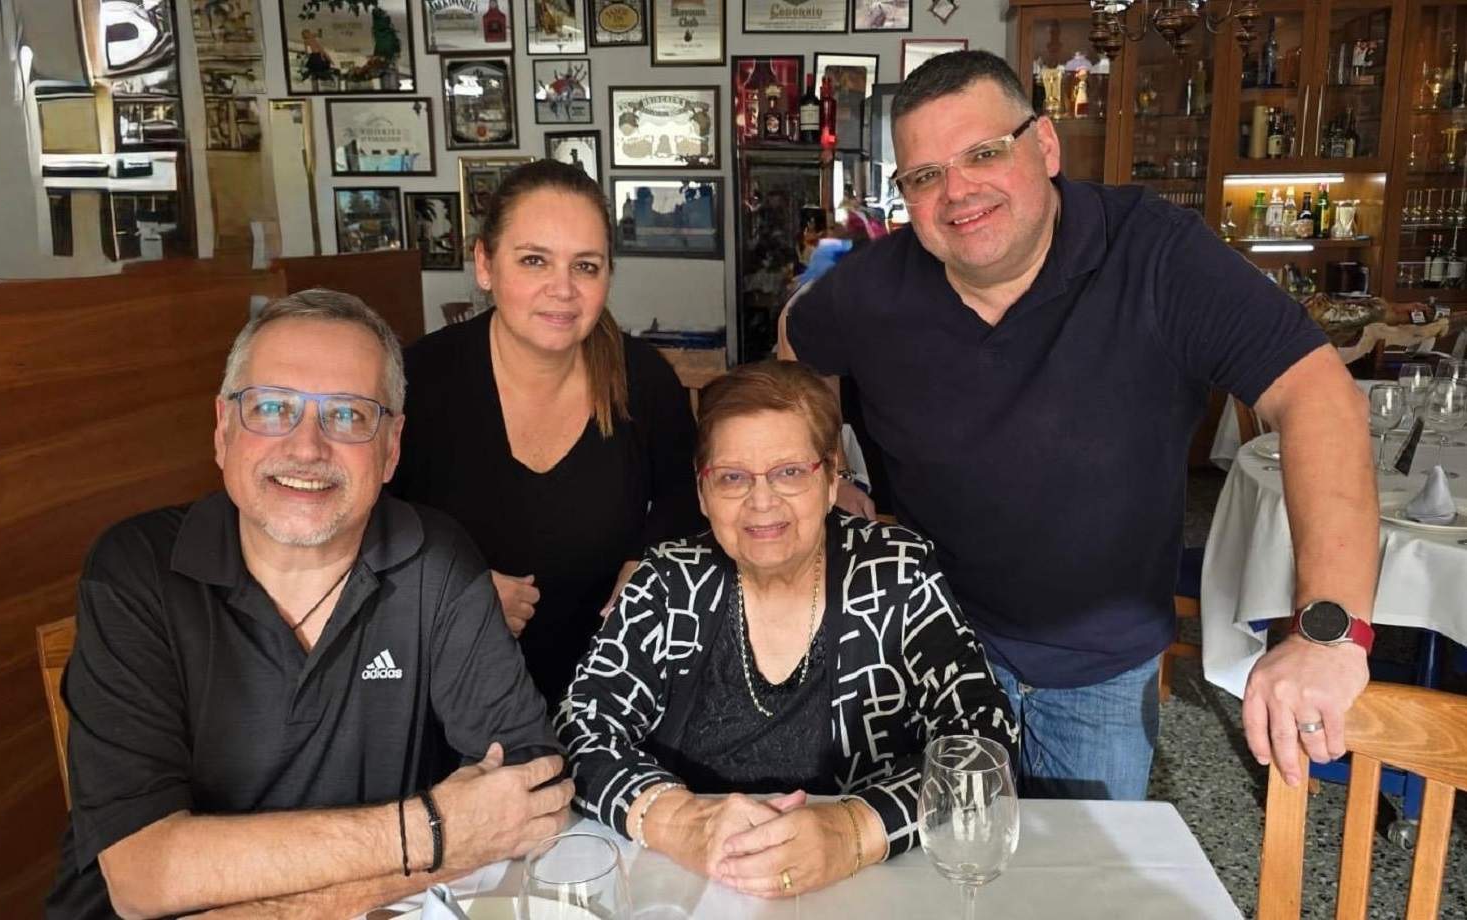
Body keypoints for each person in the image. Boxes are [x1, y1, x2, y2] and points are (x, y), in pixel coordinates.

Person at [780, 50, 1377, 800]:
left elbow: (1320, 395)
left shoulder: (1156, 254)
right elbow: (795, 351)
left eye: (984, 154)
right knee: (944, 867)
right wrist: (828, 470)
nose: (957, 192)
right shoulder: (874, 285)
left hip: (1102, 668)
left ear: (1046, 146)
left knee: (1082, 887)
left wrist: (1329, 633)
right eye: (925, 176)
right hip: (937, 645)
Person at [46, 291, 572, 919]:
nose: (306, 448)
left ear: (392, 448)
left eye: (347, 417)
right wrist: (429, 832)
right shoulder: (134, 572)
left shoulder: (435, 557)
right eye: (272, 408)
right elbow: (142, 875)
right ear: (222, 430)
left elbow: (535, 795)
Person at [556, 361, 1017, 898]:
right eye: (732, 477)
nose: (762, 500)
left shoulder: (896, 571)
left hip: (870, 886)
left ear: (829, 479)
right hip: (691, 886)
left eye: (789, 472)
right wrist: (684, 823)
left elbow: (984, 740)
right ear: (703, 494)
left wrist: (852, 832)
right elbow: (579, 729)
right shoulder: (668, 581)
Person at [392, 160, 702, 707]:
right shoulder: (417, 382)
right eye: (534, 260)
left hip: (612, 696)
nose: (562, 289)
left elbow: (685, 497)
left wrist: (649, 563)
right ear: (484, 264)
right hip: (449, 695)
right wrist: (448, 593)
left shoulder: (643, 379)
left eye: (585, 266)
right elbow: (364, 530)